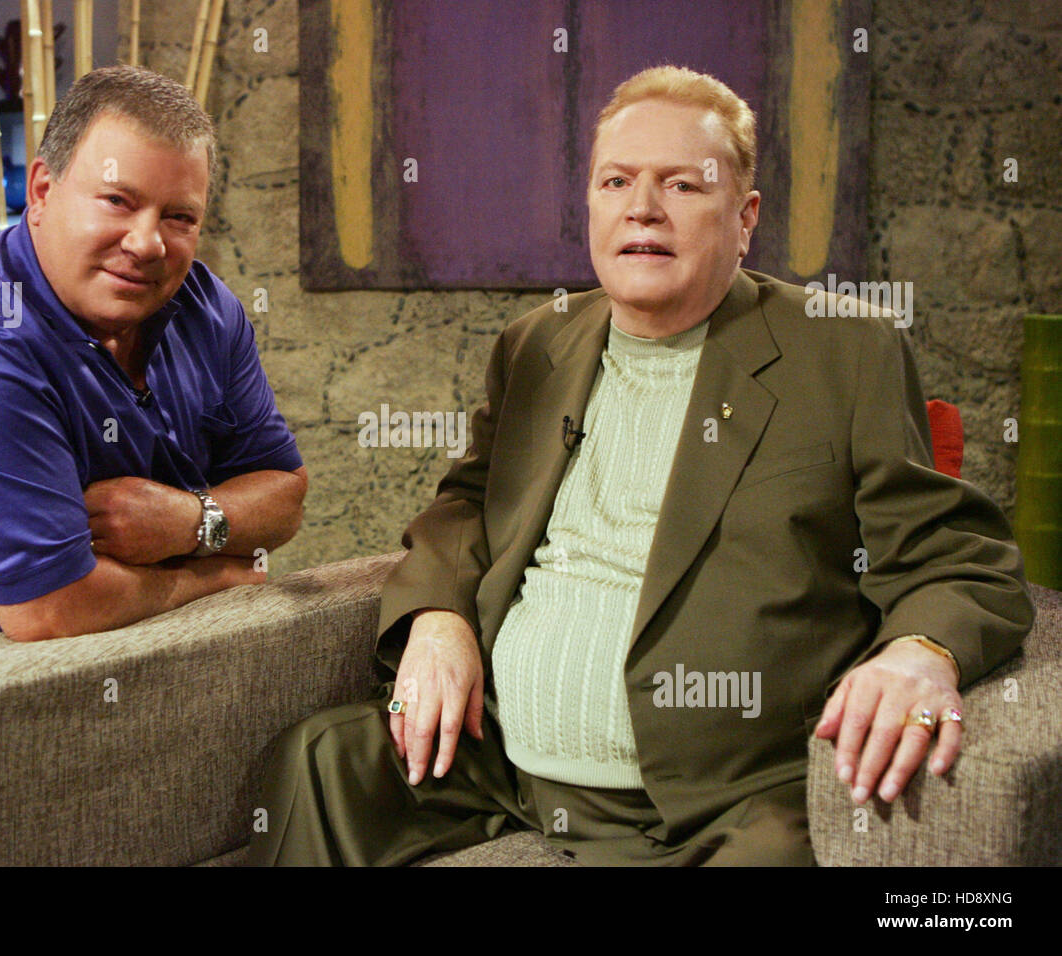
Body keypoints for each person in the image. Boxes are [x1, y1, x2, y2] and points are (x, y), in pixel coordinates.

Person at [246, 65, 1033, 865]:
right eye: (616, 180)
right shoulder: (538, 344)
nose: (642, 208)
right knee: (319, 761)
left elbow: (961, 561)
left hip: (717, 800)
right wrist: (438, 619)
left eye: (684, 186)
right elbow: (467, 505)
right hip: (497, 764)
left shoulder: (845, 349)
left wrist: (919, 654)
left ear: (746, 216)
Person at [0, 66, 306, 646]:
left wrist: (185, 520)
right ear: (43, 193)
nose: (147, 242)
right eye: (117, 201)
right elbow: (53, 611)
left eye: (179, 216)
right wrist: (217, 573)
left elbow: (284, 495)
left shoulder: (206, 306)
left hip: (152, 670)